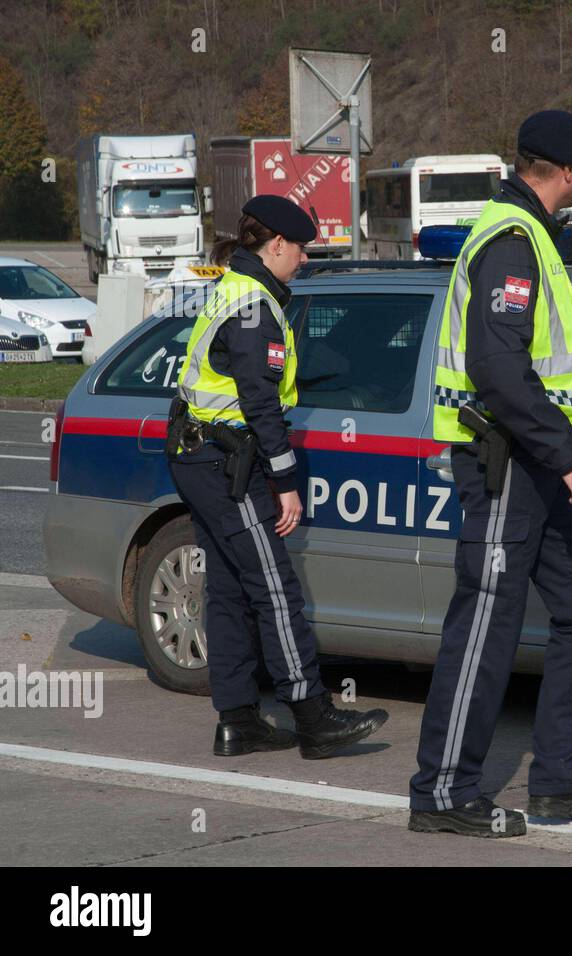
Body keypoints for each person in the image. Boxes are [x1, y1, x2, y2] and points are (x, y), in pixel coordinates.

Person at [408, 110, 572, 838]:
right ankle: (443, 790)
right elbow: (499, 370)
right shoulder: (512, 243)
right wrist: (568, 454)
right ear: (567, 173)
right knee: (485, 623)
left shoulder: (528, 238)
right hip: (511, 461)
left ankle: (566, 779)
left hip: (534, 464)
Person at [167, 195, 388, 759]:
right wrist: (286, 479)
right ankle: (312, 716)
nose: (307, 259)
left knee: (229, 588)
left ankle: (238, 720)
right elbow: (260, 401)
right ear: (277, 246)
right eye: (303, 249)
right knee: (273, 586)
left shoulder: (234, 287)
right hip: (227, 463)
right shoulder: (255, 306)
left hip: (198, 454)